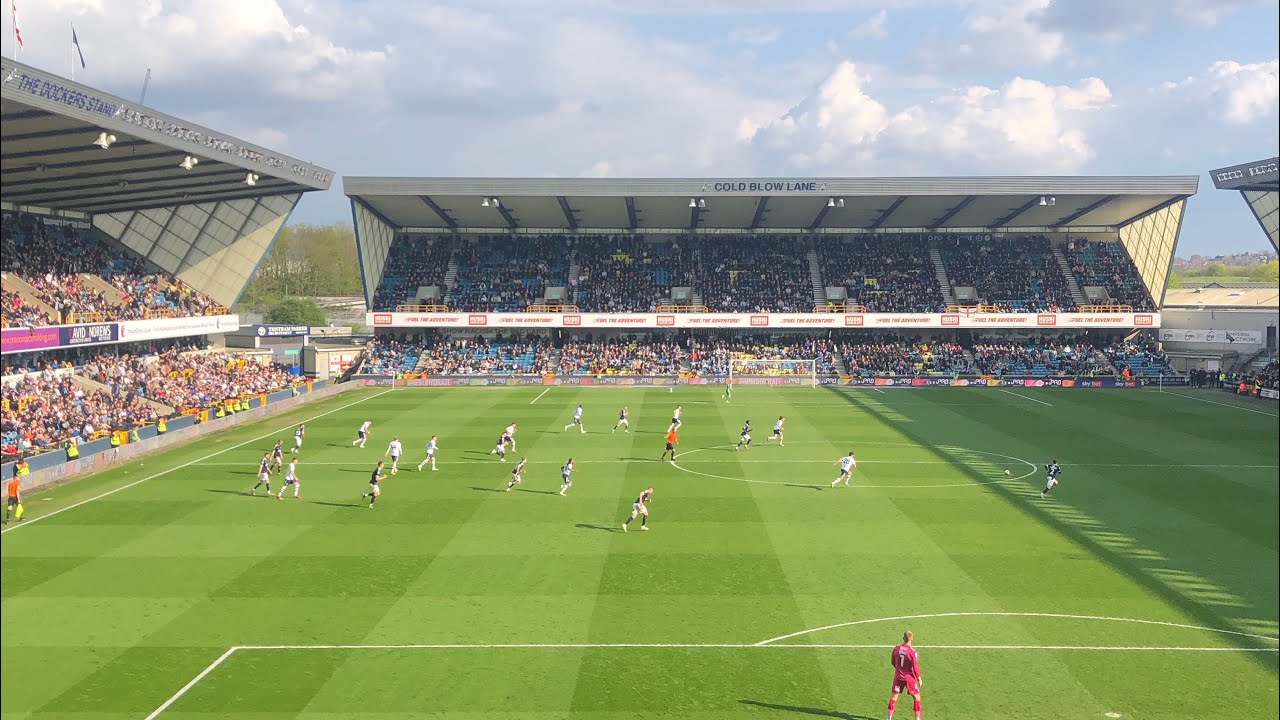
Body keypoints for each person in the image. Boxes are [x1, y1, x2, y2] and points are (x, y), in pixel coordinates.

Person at [888, 630, 923, 720]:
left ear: (903, 638)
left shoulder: (896, 648)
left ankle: (889, 718)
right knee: (916, 697)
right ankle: (917, 719)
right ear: (912, 639)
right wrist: (919, 678)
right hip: (909, 678)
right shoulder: (912, 652)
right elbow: (915, 667)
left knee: (894, 697)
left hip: (898, 677)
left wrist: (899, 669)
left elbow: (893, 661)